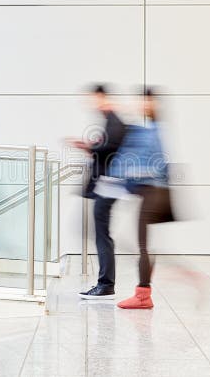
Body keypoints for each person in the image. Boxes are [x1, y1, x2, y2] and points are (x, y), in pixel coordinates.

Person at [106, 88, 173, 309]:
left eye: (146, 101)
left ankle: (144, 295)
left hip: (152, 194)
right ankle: (146, 290)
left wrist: (120, 177)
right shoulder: (152, 128)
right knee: (143, 244)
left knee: (142, 245)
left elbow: (154, 165)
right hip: (152, 193)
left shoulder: (153, 131)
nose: (142, 105)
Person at [72, 85, 126, 300]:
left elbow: (111, 148)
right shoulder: (111, 121)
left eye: (94, 99)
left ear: (102, 98)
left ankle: (106, 285)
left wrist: (89, 148)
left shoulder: (114, 121)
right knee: (101, 234)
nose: (92, 103)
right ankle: (105, 284)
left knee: (102, 235)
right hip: (106, 185)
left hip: (108, 186)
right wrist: (92, 146)